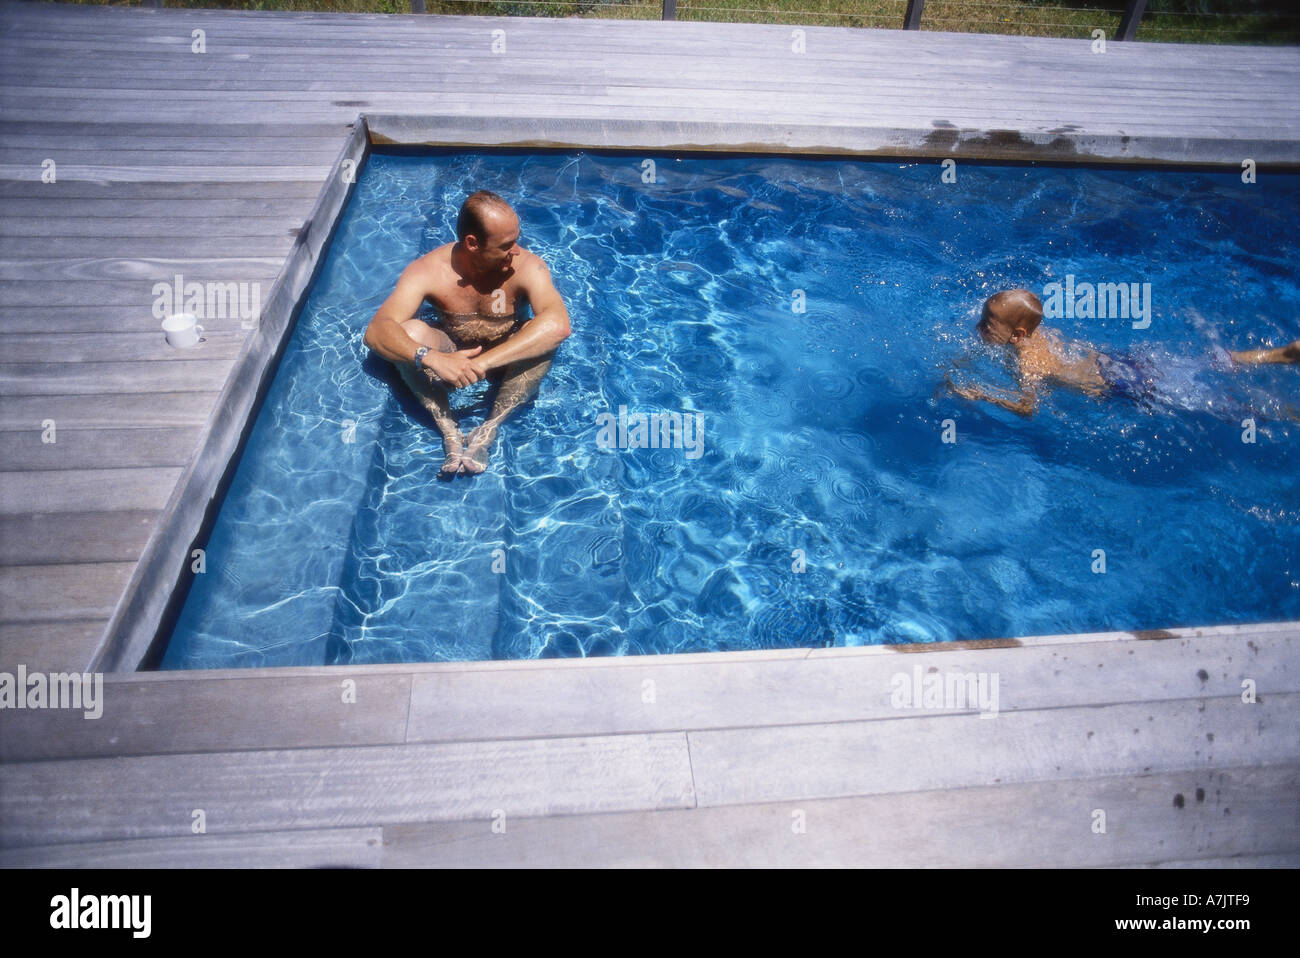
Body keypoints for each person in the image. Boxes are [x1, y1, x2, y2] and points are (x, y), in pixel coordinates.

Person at [364, 190, 571, 475]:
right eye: (506, 245)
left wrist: (479, 364)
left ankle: (488, 430)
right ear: (473, 243)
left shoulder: (527, 267)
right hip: (451, 351)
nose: (517, 250)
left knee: (542, 336)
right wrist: (434, 359)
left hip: (506, 355)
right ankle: (449, 430)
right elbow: (376, 331)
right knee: (409, 333)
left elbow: (559, 324)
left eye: (517, 239)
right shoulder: (428, 271)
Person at [946, 288, 1298, 417]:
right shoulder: (1040, 334)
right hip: (1121, 362)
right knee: (1206, 363)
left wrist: (980, 394)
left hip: (1126, 385)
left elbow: (1027, 408)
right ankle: (1281, 354)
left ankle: (1288, 414)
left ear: (1017, 335)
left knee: (1223, 407)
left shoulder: (1028, 359)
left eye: (987, 325)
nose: (979, 328)